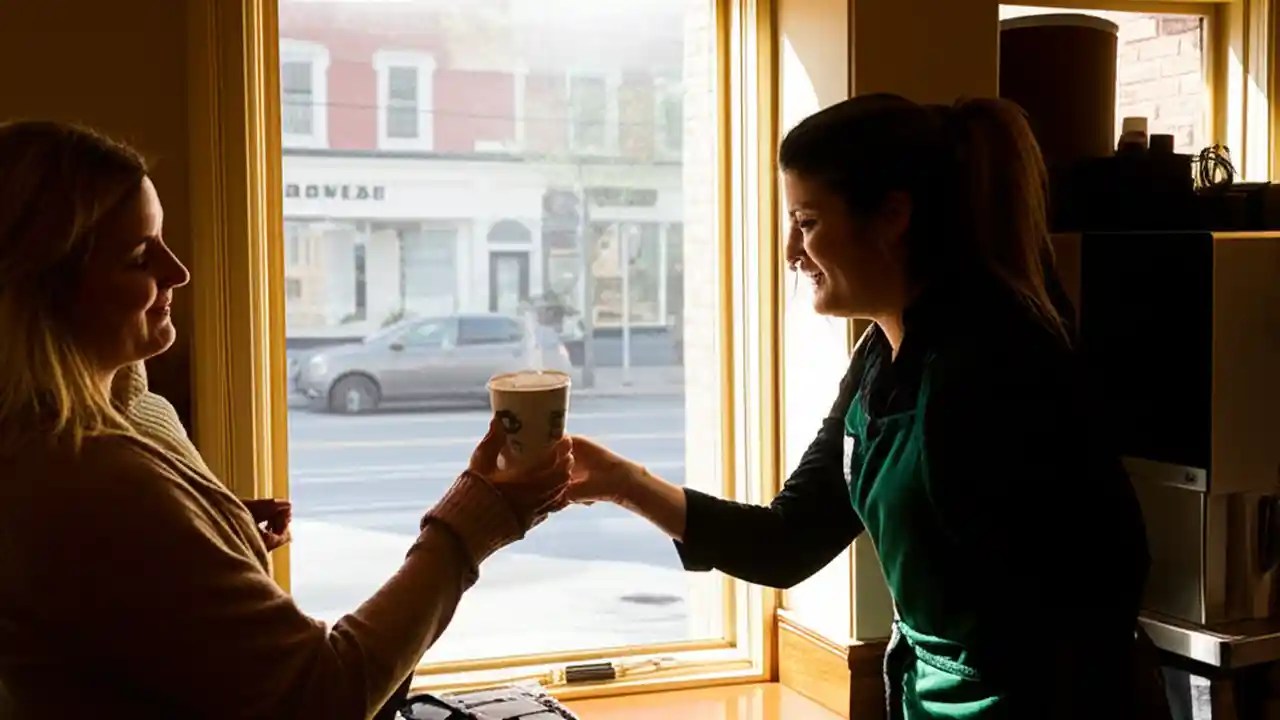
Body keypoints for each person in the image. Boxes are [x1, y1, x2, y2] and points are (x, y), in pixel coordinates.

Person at [566, 95, 1157, 718]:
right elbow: (790, 539)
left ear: (892, 216)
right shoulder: (880, 355)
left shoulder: (995, 367)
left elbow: (1096, 594)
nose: (793, 251)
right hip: (933, 697)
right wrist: (623, 484)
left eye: (808, 220)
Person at [0, 120, 572, 719]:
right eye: (141, 257)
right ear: (44, 293)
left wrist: (216, 534)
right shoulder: (85, 476)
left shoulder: (123, 419)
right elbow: (323, 696)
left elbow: (137, 607)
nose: (178, 272)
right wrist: (472, 524)